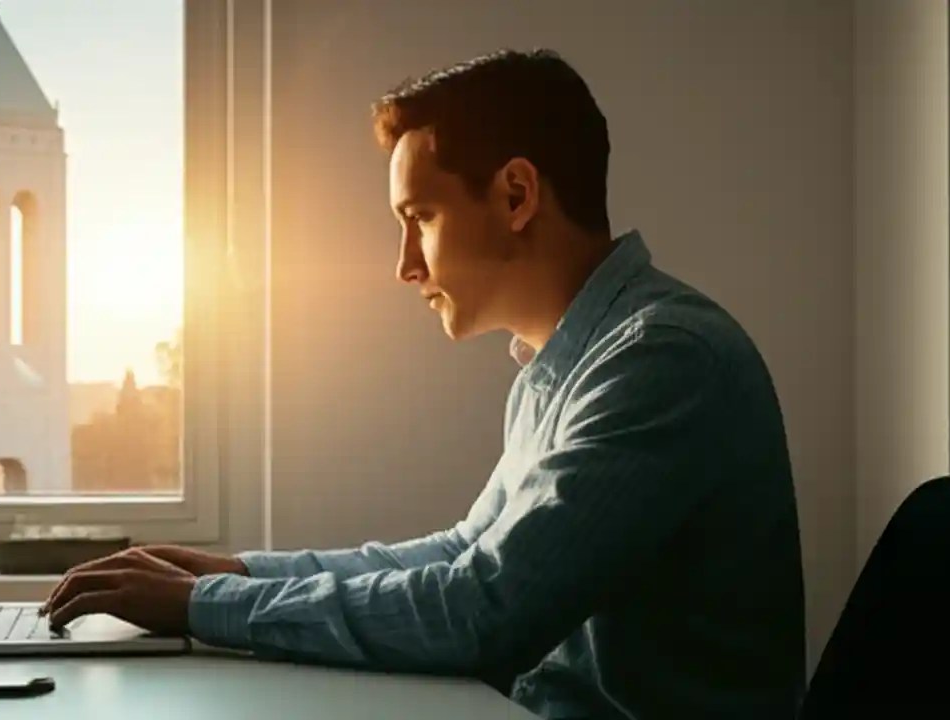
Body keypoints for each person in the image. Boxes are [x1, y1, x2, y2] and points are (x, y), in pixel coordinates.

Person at [41, 48, 806, 719]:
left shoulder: (659, 362)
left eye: (422, 217)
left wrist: (203, 606)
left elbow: (482, 608)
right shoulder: (563, 368)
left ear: (516, 196)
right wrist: (236, 572)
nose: (405, 264)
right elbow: (466, 552)